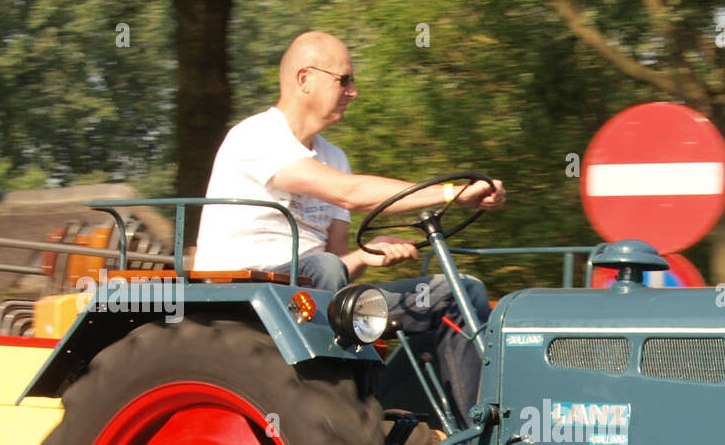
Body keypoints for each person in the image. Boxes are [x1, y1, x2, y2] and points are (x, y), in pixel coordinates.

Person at [193, 30, 506, 424]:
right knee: (323, 268)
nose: (353, 91)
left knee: (456, 293)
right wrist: (452, 192)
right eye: (344, 79)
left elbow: (340, 265)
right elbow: (351, 194)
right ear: (305, 79)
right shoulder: (256, 136)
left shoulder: (334, 156)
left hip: (317, 294)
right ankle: (329, 418)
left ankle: (469, 441)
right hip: (252, 295)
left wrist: (367, 253)